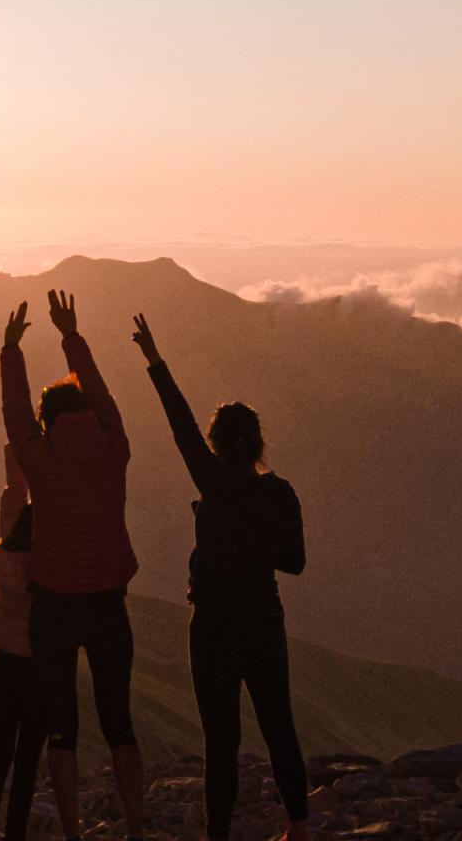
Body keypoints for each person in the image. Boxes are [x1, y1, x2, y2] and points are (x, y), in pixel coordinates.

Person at [130, 314, 309, 841]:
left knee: (221, 740)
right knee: (280, 727)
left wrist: (156, 361)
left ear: (216, 444)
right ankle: (299, 827)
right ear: (257, 445)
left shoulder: (211, 481)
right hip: (264, 620)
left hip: (212, 624)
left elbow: (178, 423)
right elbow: (295, 562)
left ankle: (218, 836)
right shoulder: (281, 493)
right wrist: (257, 547)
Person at [0, 292, 145, 841]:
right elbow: (106, 400)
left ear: (47, 421)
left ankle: (73, 832)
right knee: (120, 723)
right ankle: (134, 828)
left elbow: (15, 414)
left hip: (53, 606)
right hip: (109, 603)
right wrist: (72, 338)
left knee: (63, 730)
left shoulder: (39, 458)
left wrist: (11, 350)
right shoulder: (115, 449)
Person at [0, 449, 44, 841]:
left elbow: (13, 492)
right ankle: (15, 830)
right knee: (28, 756)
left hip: (5, 665)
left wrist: (17, 446)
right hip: (40, 669)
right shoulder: (52, 565)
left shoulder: (2, 557)